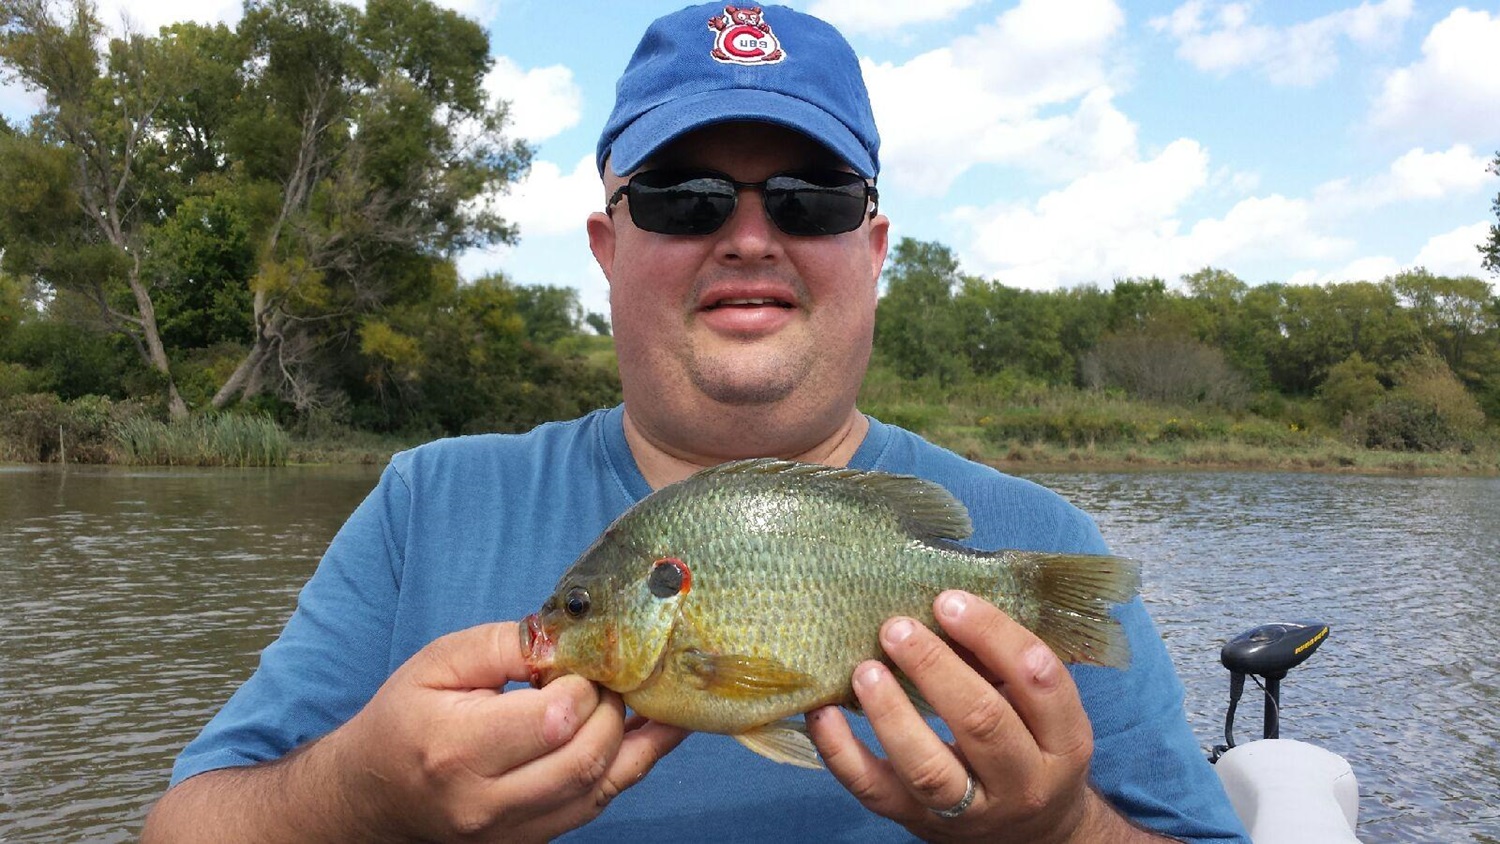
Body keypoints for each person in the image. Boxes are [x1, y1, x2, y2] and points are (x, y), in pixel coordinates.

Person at [143, 5, 1250, 842]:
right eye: (684, 197)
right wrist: (359, 795)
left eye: (810, 196)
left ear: (872, 248)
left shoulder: (1029, 535)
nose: (751, 237)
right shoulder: (425, 502)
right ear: (605, 246)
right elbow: (178, 826)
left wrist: (1058, 830)